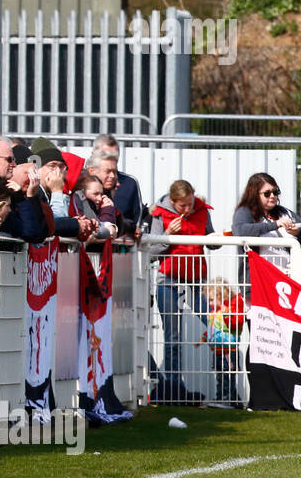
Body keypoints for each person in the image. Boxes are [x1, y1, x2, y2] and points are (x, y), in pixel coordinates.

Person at [147, 179, 215, 404]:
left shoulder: (202, 210)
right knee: (172, 337)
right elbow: (151, 251)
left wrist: (217, 239)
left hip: (197, 279)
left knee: (217, 327)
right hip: (168, 279)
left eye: (190, 204)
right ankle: (175, 390)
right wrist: (167, 234)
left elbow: (211, 240)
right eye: (182, 206)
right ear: (172, 201)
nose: (188, 209)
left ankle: (227, 387)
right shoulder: (159, 213)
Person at [232, 171, 301, 282]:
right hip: (259, 282)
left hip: (288, 280)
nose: (273, 196)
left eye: (276, 192)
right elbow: (240, 230)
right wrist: (275, 225)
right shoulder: (245, 211)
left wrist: (299, 231)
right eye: (267, 193)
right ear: (255, 194)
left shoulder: (284, 212)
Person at [201, 278, 244, 405]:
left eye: (212, 300)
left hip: (228, 350)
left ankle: (226, 398)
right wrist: (204, 337)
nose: (209, 303)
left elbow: (235, 324)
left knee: (227, 374)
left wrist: (226, 314)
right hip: (218, 350)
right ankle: (227, 398)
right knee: (221, 374)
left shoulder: (230, 309)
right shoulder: (214, 312)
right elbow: (212, 329)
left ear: (222, 296)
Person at [93, 133, 144, 234]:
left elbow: (137, 220)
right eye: (105, 154)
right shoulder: (83, 182)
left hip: (121, 245)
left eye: (115, 155)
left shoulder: (130, 183)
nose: (111, 158)